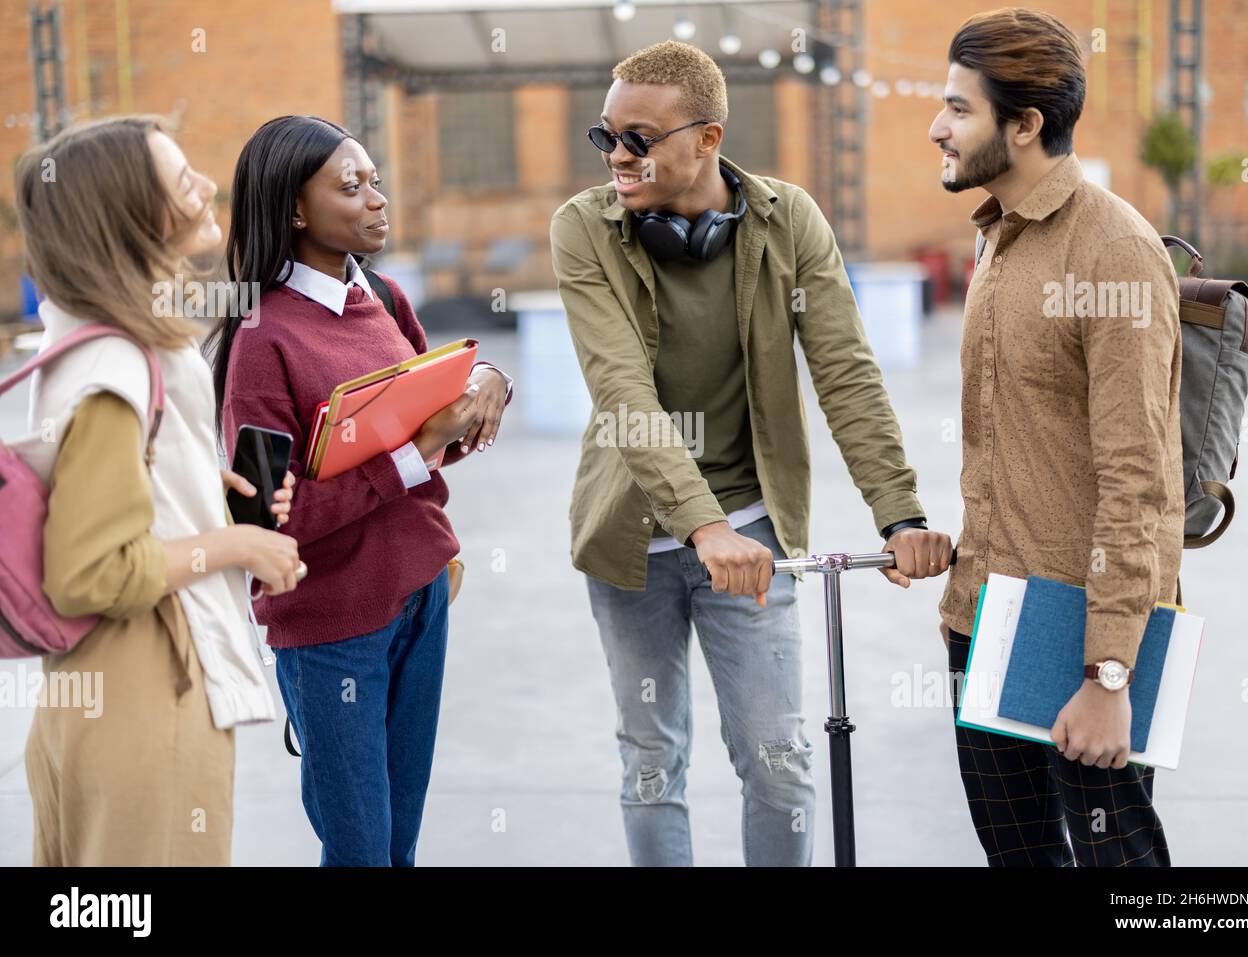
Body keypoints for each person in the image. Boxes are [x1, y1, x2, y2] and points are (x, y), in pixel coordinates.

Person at [551, 40, 952, 866]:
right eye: (607, 137)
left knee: (779, 763)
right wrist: (701, 526)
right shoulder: (582, 229)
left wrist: (900, 510)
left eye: (640, 138)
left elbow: (846, 372)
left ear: (708, 138)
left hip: (753, 537)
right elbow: (623, 392)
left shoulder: (787, 219)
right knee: (652, 760)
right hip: (631, 538)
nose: (617, 157)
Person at [207, 115, 513, 866]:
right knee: (362, 851)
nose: (378, 199)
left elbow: (439, 438)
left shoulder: (382, 296)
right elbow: (268, 523)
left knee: (398, 843)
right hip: (331, 631)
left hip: (421, 597)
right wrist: (416, 452)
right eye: (351, 186)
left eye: (375, 180)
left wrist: (487, 387)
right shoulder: (262, 340)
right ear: (294, 210)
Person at [929, 8, 1183, 866]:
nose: (939, 126)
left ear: (1025, 124)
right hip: (983, 615)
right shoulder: (997, 237)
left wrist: (1109, 674)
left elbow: (1137, 477)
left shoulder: (1113, 250)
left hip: (1080, 632)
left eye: (959, 108)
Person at [12, 115, 300, 866]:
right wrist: (238, 542)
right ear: (132, 220)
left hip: (101, 691)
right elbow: (91, 571)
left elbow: (107, 487)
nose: (208, 185)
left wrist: (202, 487)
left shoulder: (89, 338)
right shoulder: (116, 365)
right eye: (182, 181)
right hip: (150, 689)